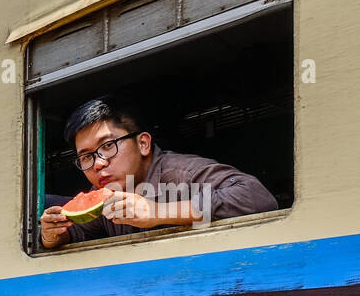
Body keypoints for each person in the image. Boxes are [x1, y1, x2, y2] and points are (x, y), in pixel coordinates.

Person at [40, 96, 278, 249]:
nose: (98, 164)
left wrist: (157, 211)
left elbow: (257, 197)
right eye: (86, 156)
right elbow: (81, 232)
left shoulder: (180, 173)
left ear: (143, 143)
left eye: (108, 146)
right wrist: (55, 235)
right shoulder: (103, 195)